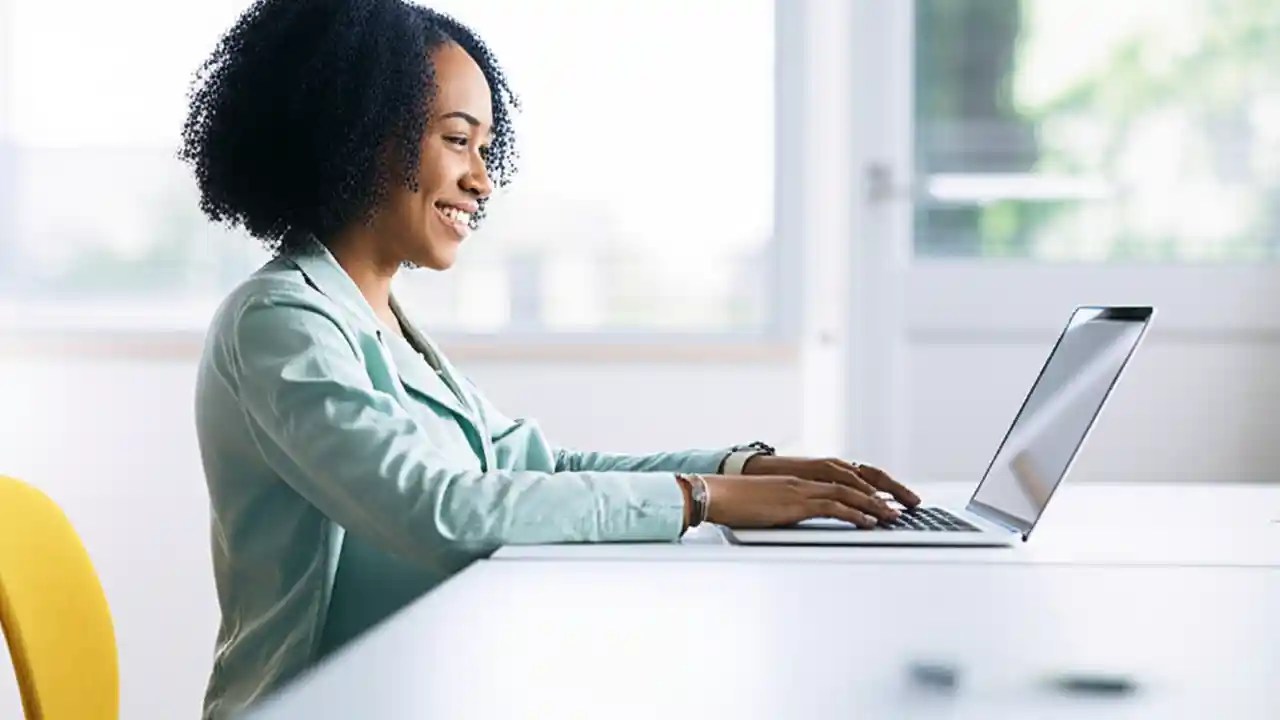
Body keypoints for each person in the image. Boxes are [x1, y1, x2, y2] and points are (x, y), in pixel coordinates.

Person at [180, 1, 921, 717]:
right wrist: (700, 499)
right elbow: (438, 510)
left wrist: (740, 469)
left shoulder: (386, 326)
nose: (482, 179)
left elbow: (537, 466)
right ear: (361, 132)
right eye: (457, 140)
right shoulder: (282, 322)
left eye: (485, 148)